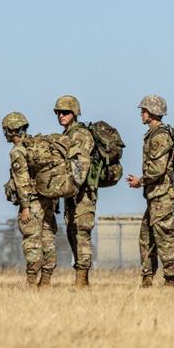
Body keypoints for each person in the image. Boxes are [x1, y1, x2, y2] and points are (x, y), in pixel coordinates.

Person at [126, 95, 174, 287]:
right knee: (146, 236)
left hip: (162, 196)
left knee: (165, 237)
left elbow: (158, 169)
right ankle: (147, 278)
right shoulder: (153, 135)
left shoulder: (160, 137)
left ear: (153, 112)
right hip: (155, 196)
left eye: (144, 111)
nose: (141, 114)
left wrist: (140, 181)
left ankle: (170, 280)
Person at [3, 112, 58, 286]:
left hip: (33, 202)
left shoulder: (18, 151)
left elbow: (22, 180)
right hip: (48, 200)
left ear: (11, 130)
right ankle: (46, 281)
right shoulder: (36, 145)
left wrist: (25, 206)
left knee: (32, 240)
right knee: (48, 239)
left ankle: (31, 282)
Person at [54, 95, 97, 286]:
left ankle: (82, 279)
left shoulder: (80, 135)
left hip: (83, 194)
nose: (61, 115)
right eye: (58, 112)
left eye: (65, 112)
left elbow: (82, 165)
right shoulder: (67, 135)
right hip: (71, 193)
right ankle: (80, 277)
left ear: (74, 113)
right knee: (72, 232)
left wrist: (74, 187)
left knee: (82, 233)